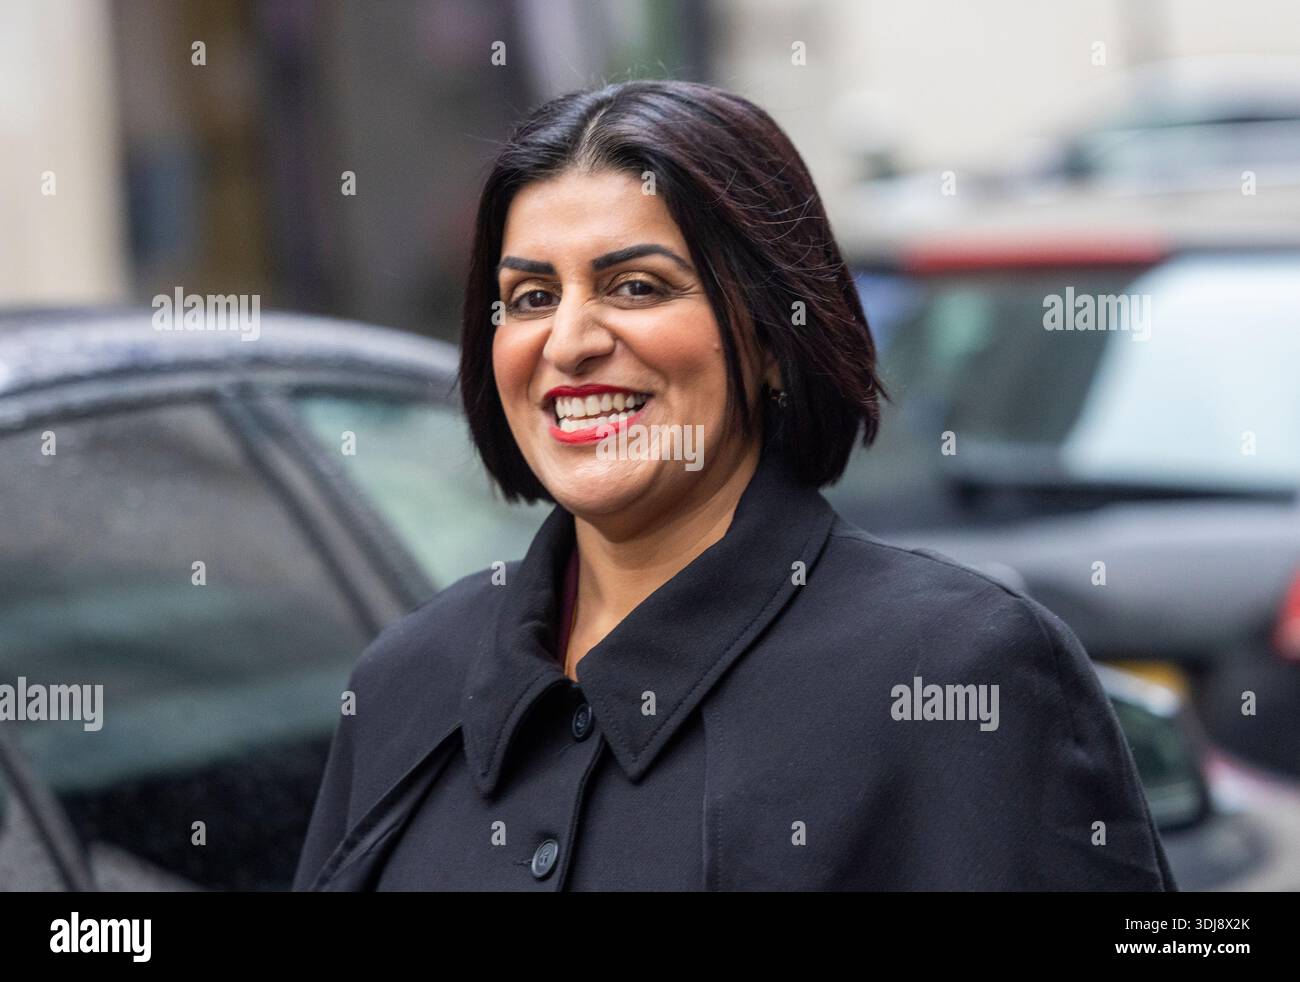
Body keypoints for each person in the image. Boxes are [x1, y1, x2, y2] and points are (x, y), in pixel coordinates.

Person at [292, 79, 1176, 891]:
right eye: (529, 298)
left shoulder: (960, 669)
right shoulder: (405, 681)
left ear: (768, 340)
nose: (568, 342)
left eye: (634, 286)